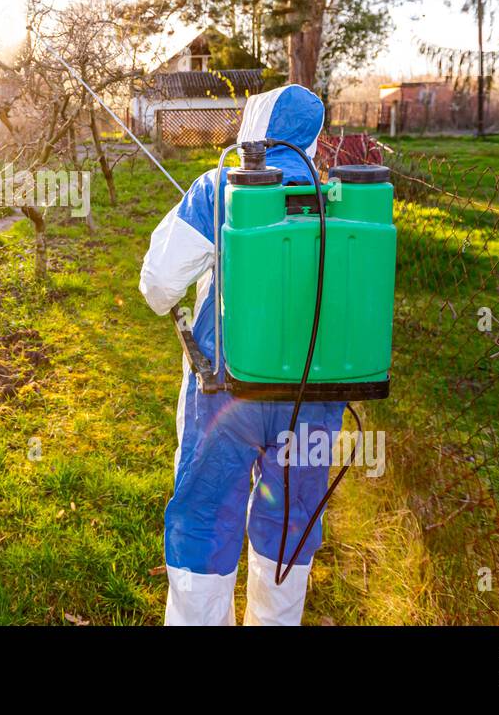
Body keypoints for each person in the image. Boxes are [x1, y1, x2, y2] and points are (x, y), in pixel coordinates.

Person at [139, 84, 346, 626]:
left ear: (253, 123)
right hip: (312, 396)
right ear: (313, 139)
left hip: (224, 394)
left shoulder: (217, 187)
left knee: (205, 517)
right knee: (289, 522)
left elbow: (159, 285)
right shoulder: (339, 198)